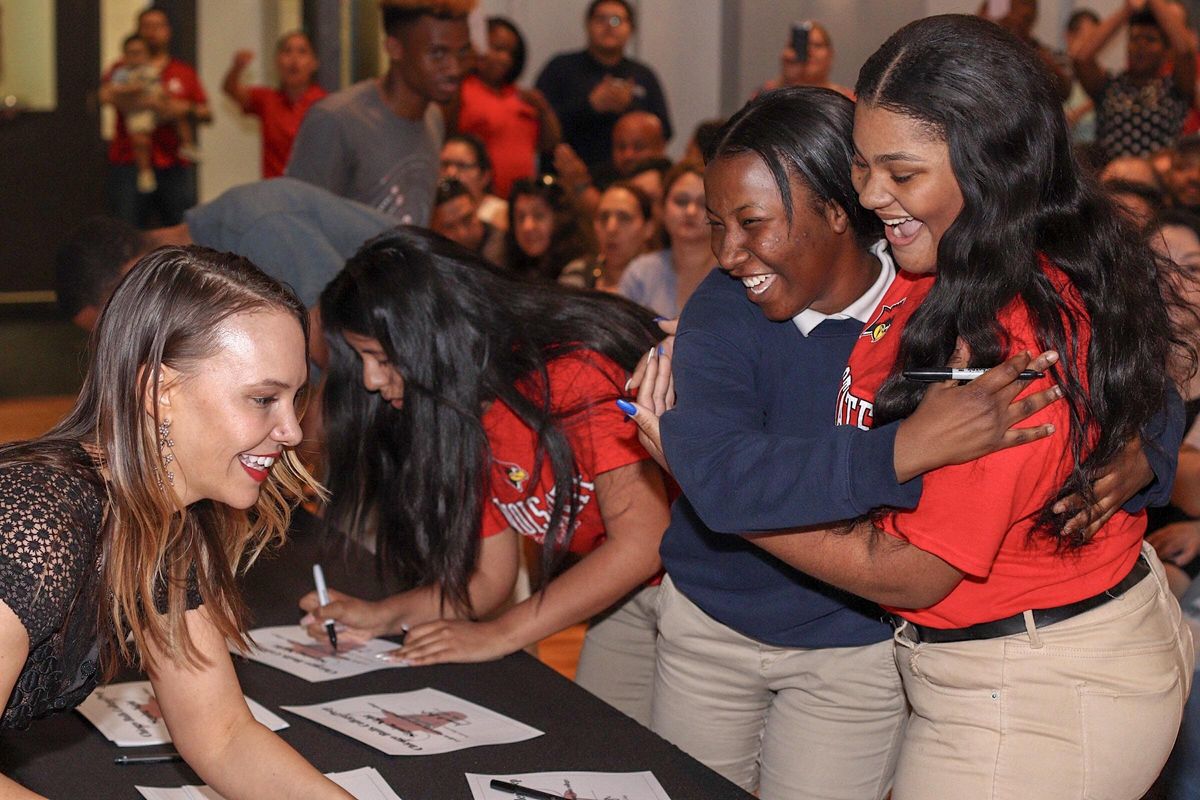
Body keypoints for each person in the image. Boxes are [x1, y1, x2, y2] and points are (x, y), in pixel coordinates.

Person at [700, 15, 1189, 798]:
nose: (870, 195)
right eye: (862, 165)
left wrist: (725, 493)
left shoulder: (1008, 336)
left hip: (1036, 694)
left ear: (991, 165)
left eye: (901, 172)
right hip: (1005, 662)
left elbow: (915, 573)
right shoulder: (952, 250)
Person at [0, 245, 353, 798]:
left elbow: (222, 735)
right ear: (159, 391)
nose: (291, 431)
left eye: (295, 399)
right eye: (263, 399)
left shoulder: (165, 525)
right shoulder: (35, 524)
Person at [297, 227, 670, 726]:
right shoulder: (464, 417)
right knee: (607, 736)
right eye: (363, 360)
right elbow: (491, 579)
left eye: (381, 359)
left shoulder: (572, 374)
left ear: (437, 337)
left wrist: (500, 634)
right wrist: (382, 615)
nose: (369, 380)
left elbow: (642, 541)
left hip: (700, 589)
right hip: (626, 593)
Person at [54, 178, 395, 339]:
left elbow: (334, 337)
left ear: (129, 276)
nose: (124, 337)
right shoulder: (212, 261)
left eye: (114, 323)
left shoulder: (252, 227)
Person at [286, 0, 473, 223]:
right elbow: (294, 224)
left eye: (463, 52)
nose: (454, 68)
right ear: (394, 49)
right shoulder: (336, 120)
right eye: (437, 54)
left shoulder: (433, 118)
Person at [100, 7, 210, 227]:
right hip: (129, 163)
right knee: (127, 232)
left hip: (173, 165)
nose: (152, 32)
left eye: (158, 26)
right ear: (138, 30)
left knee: (180, 232)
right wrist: (149, 103)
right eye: (147, 26)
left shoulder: (183, 71)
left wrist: (182, 108)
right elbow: (104, 95)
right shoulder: (122, 68)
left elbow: (205, 112)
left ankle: (188, 145)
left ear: (168, 31)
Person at [535, 0, 671, 172]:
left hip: (629, 178)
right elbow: (539, 129)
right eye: (601, 19)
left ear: (631, 28)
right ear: (587, 25)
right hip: (566, 176)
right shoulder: (560, 68)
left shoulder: (643, 75)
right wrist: (590, 105)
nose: (609, 26)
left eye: (616, 20)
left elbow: (664, 132)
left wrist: (630, 107)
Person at [1074, 0, 1197, 163]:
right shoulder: (1109, 86)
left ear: (1167, 52)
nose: (1141, 45)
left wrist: (1154, 2)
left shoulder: (1174, 89)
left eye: (1150, 40)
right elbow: (1081, 58)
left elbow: (1186, 52)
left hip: (1158, 177)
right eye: (1134, 38)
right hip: (1110, 176)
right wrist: (1127, 10)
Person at [454, 16, 560, 200]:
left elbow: (549, 144)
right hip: (477, 198)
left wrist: (544, 111)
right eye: (497, 49)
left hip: (521, 200)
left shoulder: (522, 97)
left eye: (511, 53)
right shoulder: (460, 91)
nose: (504, 58)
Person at [222, 31, 326, 179]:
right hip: (273, 188)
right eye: (287, 51)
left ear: (314, 63)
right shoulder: (267, 100)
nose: (294, 59)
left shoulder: (324, 104)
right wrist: (236, 68)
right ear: (277, 61)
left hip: (310, 188)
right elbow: (230, 89)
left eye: (302, 52)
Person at [618, 161, 714, 318]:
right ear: (662, 208)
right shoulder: (641, 273)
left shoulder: (734, 274)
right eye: (681, 201)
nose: (691, 211)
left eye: (703, 203)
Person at [110, 34, 199, 195]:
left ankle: (187, 145)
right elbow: (110, 92)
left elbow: (161, 89)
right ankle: (145, 172)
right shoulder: (121, 72)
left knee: (178, 116)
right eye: (131, 53)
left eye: (139, 53)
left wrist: (168, 103)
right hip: (137, 119)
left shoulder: (153, 70)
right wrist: (136, 93)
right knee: (140, 140)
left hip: (172, 160)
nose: (136, 57)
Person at [559, 181, 655, 290]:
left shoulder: (662, 283)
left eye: (624, 218)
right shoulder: (577, 274)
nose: (611, 228)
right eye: (603, 217)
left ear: (649, 228)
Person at [505, 175, 592, 281]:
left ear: (561, 219)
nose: (527, 226)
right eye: (520, 217)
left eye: (538, 215)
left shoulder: (578, 274)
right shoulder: (510, 271)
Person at [758, 21, 853, 99]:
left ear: (831, 54)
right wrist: (786, 78)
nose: (809, 51)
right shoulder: (766, 94)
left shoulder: (846, 99)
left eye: (817, 45)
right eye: (800, 45)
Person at [439, 133, 508, 230]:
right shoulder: (432, 213)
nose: (451, 173)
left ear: (485, 176)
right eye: (445, 164)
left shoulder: (501, 216)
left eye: (462, 165)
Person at [430, 177, 505, 266]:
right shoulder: (427, 254)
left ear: (477, 209)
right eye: (449, 227)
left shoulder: (504, 246)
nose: (462, 234)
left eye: (467, 220)